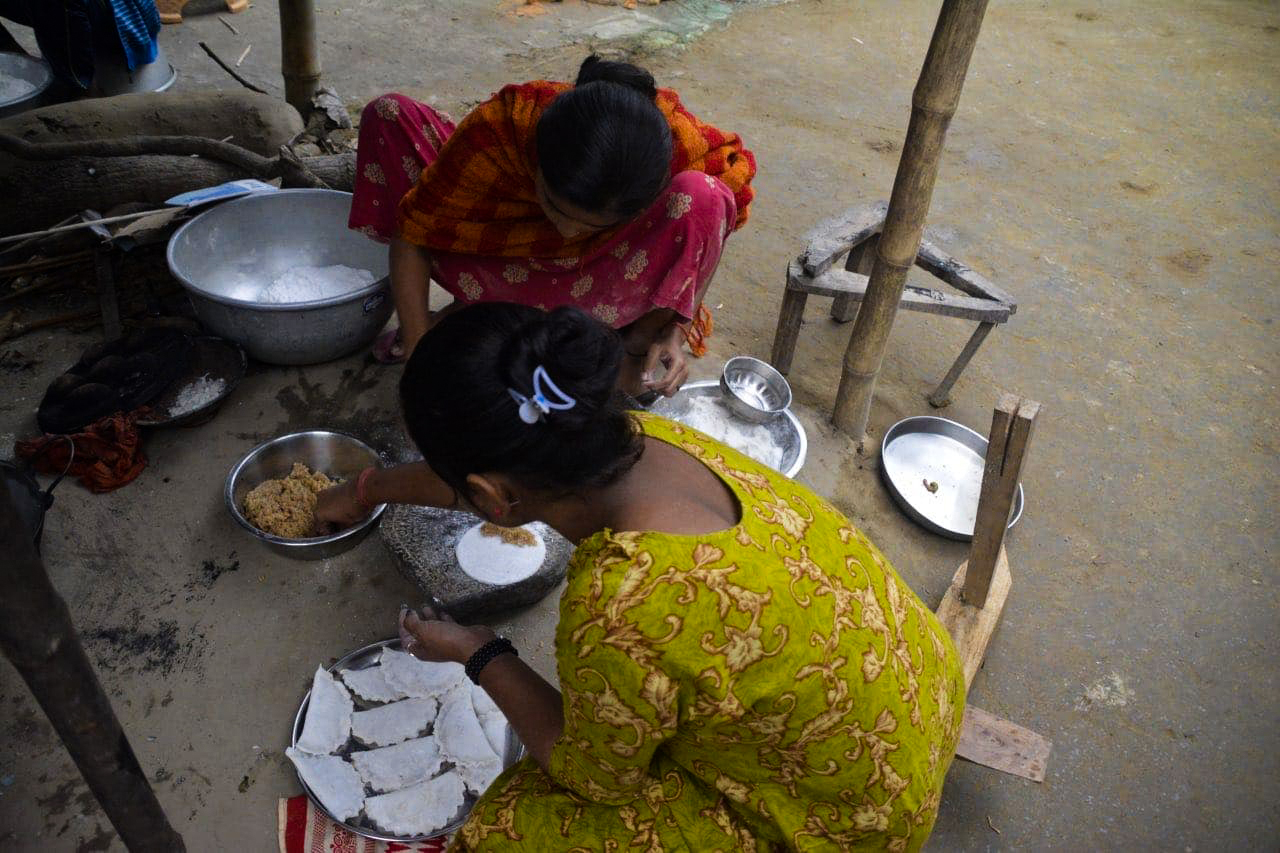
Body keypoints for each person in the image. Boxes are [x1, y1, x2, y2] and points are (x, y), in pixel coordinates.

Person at [315, 303, 966, 851]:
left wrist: (479, 652)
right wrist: (367, 488)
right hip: (920, 693)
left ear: (490, 495)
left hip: (857, 823)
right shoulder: (648, 438)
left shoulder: (624, 599)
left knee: (514, 828)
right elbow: (497, 477)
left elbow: (594, 777)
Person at [349, 55, 756, 397]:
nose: (567, 232)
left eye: (588, 224)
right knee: (390, 115)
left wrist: (675, 331)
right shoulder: (503, 131)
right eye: (554, 207)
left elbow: (717, 221)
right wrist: (419, 352)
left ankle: (631, 343)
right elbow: (413, 229)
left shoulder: (675, 147)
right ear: (537, 162)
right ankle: (485, 313)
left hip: (601, 272)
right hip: (500, 254)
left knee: (706, 196)